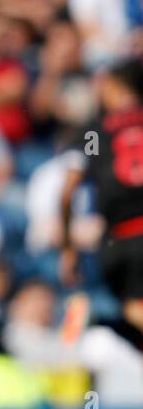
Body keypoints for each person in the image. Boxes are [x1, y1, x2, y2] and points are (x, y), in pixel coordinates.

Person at [60, 60, 143, 357]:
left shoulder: (95, 131)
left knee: (131, 303)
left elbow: (68, 190)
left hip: (123, 237)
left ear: (115, 86)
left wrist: (68, 246)